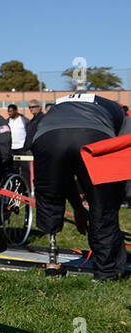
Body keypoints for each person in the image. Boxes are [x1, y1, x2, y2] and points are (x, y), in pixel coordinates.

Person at [26, 93, 131, 281]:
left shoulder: (59, 105)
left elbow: (64, 178)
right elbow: (124, 148)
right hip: (95, 135)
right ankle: (106, 273)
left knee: (50, 196)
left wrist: (77, 207)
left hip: (49, 138)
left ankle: (52, 254)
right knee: (103, 207)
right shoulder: (119, 112)